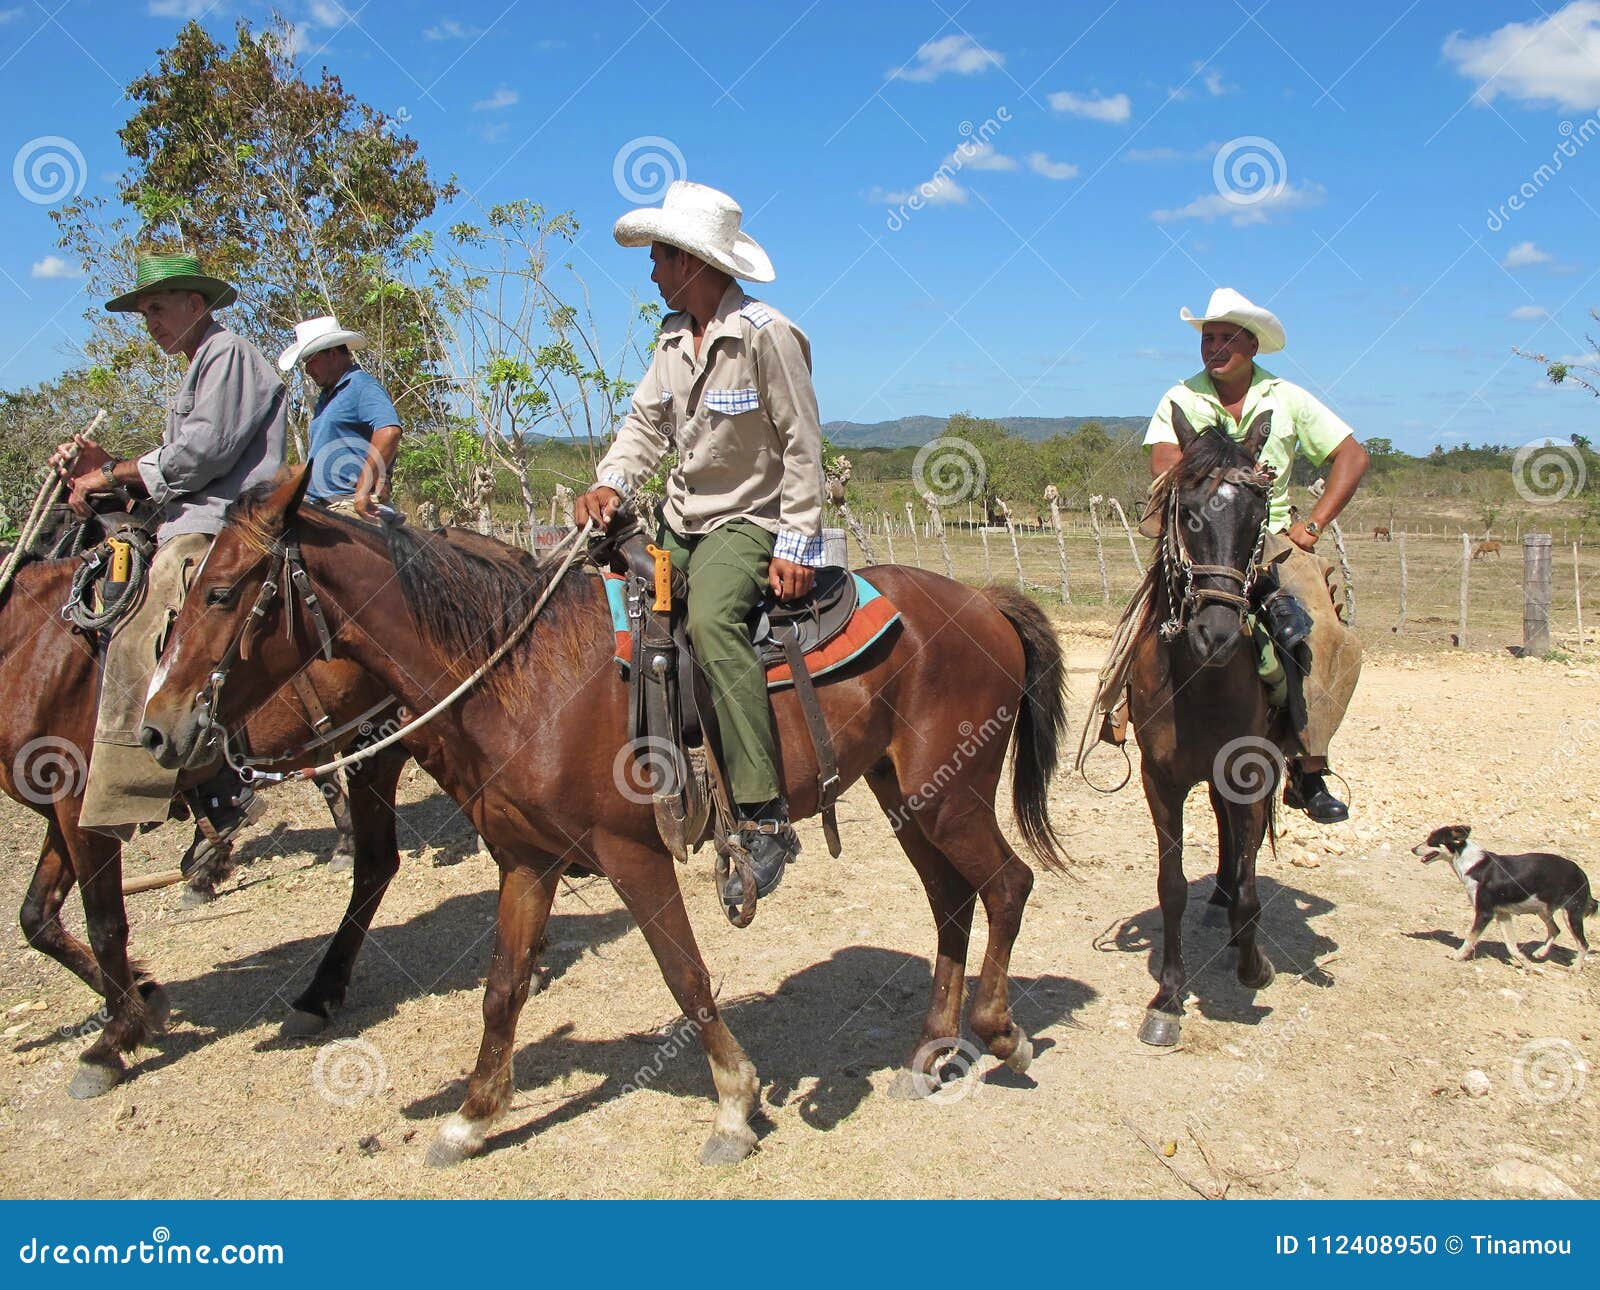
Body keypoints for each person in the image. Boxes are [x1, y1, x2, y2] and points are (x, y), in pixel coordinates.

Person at [574, 181, 826, 913]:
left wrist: (798, 542)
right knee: (613, 608)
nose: (651, 270)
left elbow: (803, 445)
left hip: (746, 521)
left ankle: (764, 812)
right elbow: (645, 427)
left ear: (692, 261)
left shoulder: (766, 336)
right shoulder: (670, 341)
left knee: (714, 622)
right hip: (678, 523)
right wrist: (611, 484)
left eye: (658, 257)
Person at [52, 253, 287, 838]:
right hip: (190, 518)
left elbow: (202, 454)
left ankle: (149, 791)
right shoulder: (197, 366)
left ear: (195, 304)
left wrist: (109, 473)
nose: (149, 321)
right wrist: (103, 472)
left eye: (156, 308)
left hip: (224, 527)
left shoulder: (227, 353)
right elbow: (177, 467)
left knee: (145, 621)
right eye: (142, 312)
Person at [1144, 287, 1368, 823]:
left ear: (1252, 345)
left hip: (1270, 539)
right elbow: (1162, 460)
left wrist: (1313, 525)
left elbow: (1351, 455)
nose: (1214, 348)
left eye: (1226, 338)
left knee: (1328, 637)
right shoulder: (1181, 397)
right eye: (1208, 338)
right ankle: (1123, 708)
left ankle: (1309, 766)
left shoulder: (1287, 398)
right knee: (1144, 620)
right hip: (1200, 536)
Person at [278, 315, 401, 520]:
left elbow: (389, 432)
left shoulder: (360, 385)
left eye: (312, 361)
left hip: (348, 505)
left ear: (333, 354)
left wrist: (362, 489)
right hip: (320, 505)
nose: (308, 370)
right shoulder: (327, 397)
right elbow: (319, 460)